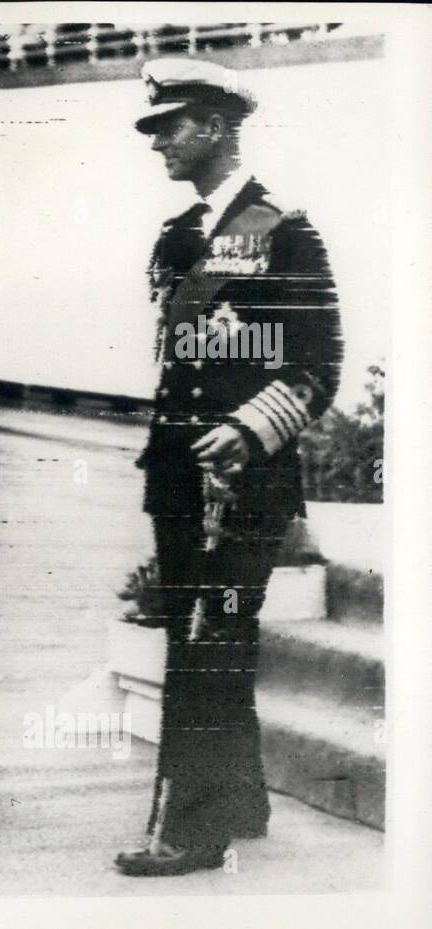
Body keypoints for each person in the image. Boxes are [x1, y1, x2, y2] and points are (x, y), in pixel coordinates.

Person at [116, 59, 344, 877]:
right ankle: (240, 800)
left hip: (244, 480)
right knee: (198, 632)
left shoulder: (284, 230)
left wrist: (251, 428)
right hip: (178, 476)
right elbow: (175, 367)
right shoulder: (178, 237)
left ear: (215, 127)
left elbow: (320, 367)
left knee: (208, 642)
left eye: (169, 128)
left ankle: (195, 831)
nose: (158, 146)